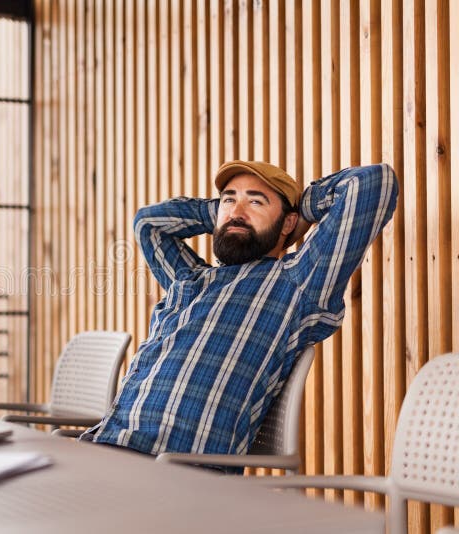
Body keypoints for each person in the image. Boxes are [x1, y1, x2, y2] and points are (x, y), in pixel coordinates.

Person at [81, 161, 398, 466]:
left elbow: (372, 184)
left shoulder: (296, 283)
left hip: (171, 471)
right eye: (229, 200)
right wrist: (220, 214)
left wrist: (301, 210)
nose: (237, 211)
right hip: (105, 449)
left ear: (287, 223)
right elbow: (148, 223)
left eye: (256, 203)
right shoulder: (190, 280)